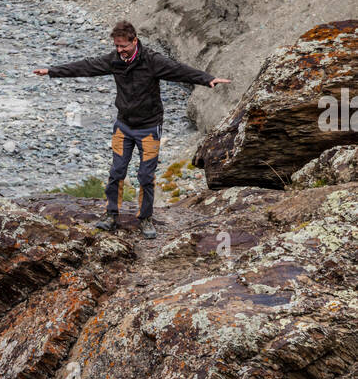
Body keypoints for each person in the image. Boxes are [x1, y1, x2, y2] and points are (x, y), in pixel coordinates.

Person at [34, 21, 229, 239]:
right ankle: (111, 215)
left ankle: (145, 218)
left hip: (149, 128)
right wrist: (52, 71)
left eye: (123, 46)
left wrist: (207, 78)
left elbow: (178, 71)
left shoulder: (152, 61)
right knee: (116, 171)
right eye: (116, 46)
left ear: (134, 41)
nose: (119, 51)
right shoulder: (114, 60)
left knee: (145, 175)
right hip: (123, 126)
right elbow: (86, 66)